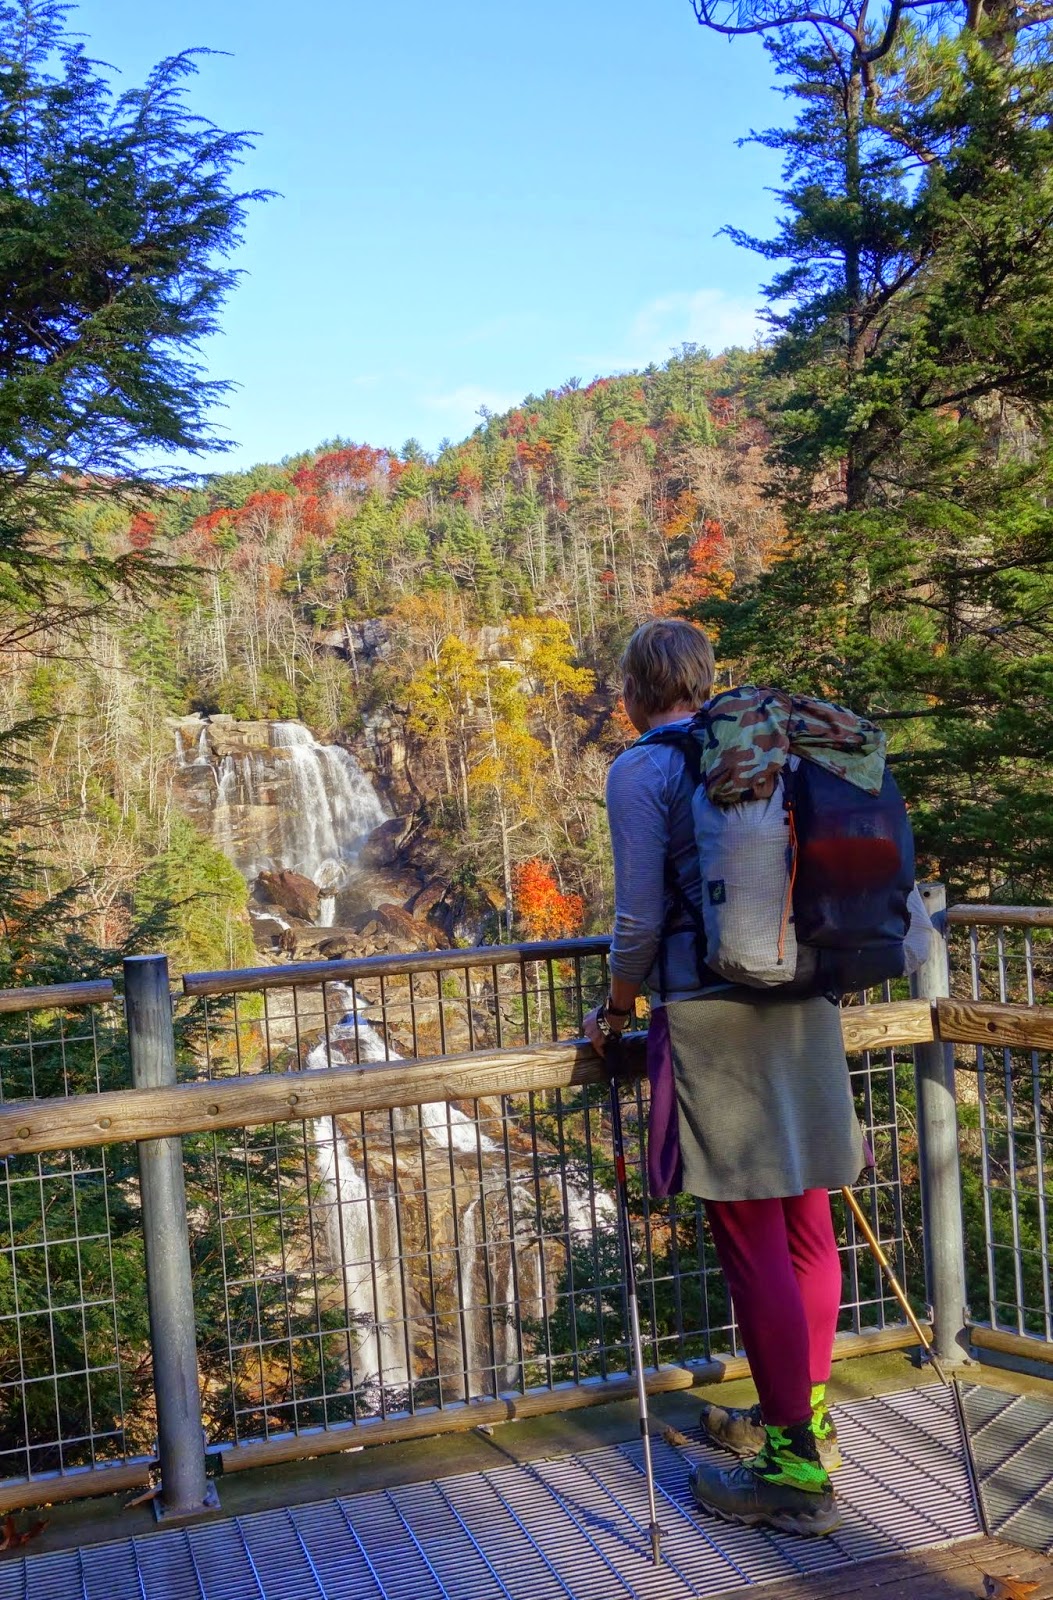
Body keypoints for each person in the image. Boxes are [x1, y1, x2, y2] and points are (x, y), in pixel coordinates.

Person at [584, 617, 864, 1539]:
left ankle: (792, 1470)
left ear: (634, 690)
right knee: (805, 1223)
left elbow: (636, 917)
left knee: (751, 1244)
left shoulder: (643, 769)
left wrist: (616, 1008)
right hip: (802, 995)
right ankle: (803, 1419)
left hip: (709, 1014)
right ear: (703, 681)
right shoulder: (760, 750)